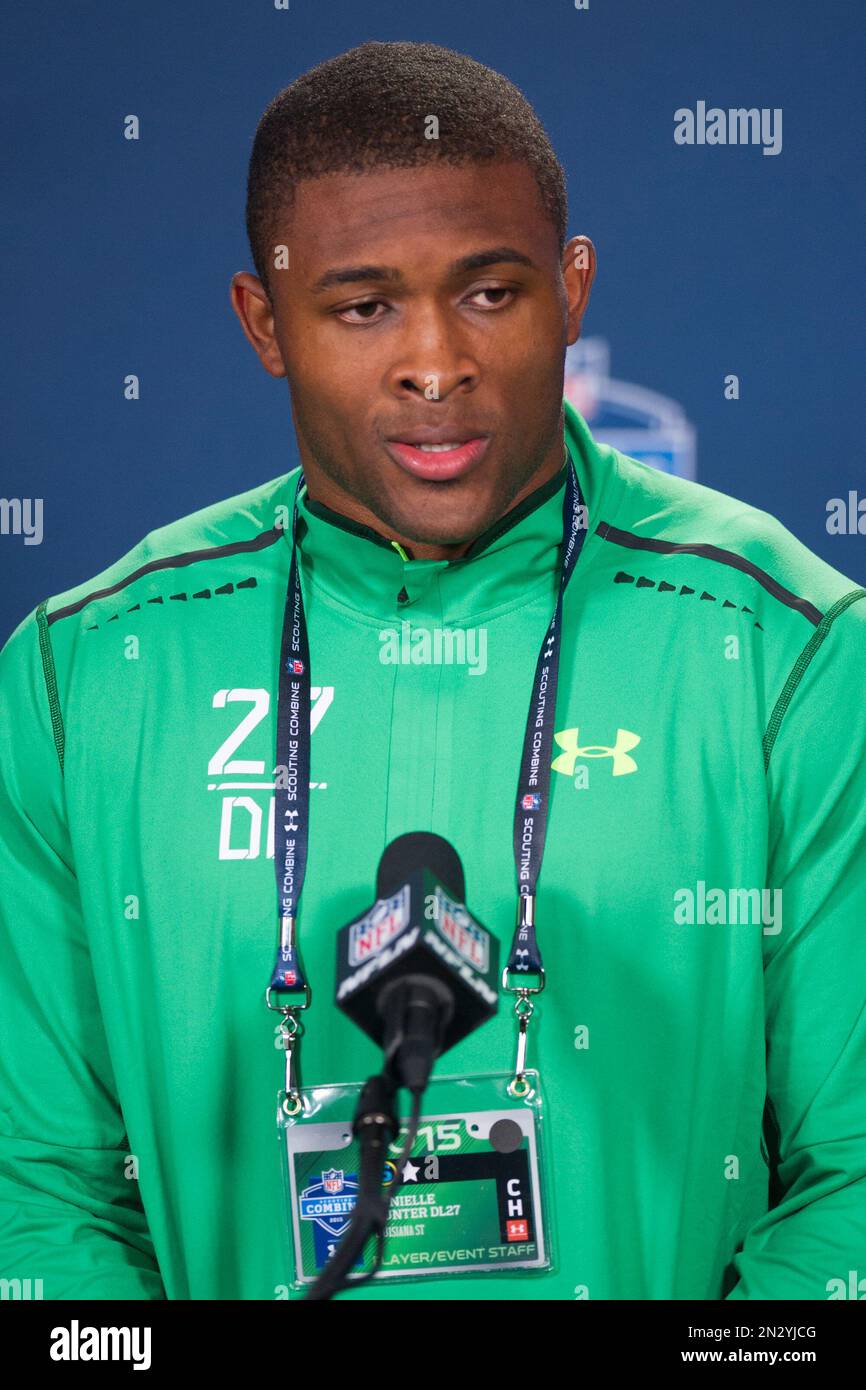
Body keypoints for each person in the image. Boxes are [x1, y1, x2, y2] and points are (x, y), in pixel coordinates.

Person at [1, 40, 864, 1303]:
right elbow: (38, 1194)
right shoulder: (86, 674)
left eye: (490, 294)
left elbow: (851, 1186)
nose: (434, 365)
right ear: (264, 325)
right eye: (361, 307)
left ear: (571, 293)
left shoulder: (784, 646)